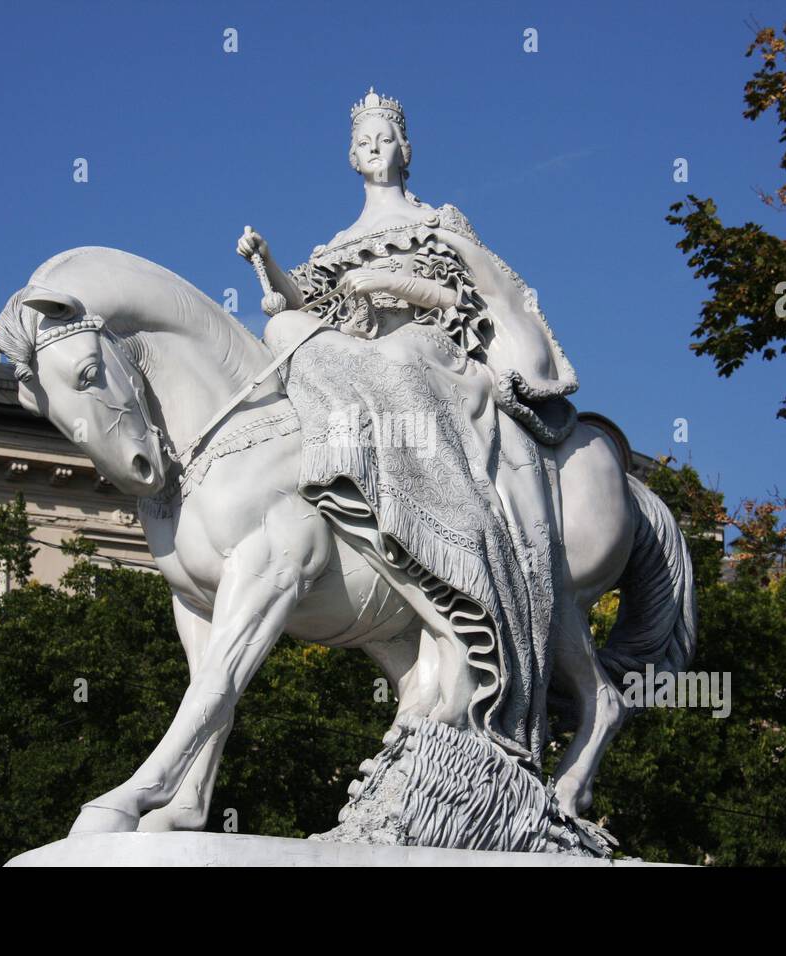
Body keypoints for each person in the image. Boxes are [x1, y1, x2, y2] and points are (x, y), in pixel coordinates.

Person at [235, 89, 579, 766]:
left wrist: (389, 286)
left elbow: (467, 296)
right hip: (352, 355)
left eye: (384, 137)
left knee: (388, 357)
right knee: (281, 328)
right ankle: (342, 474)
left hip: (425, 348)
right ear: (349, 155)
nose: (373, 148)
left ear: (406, 150)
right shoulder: (335, 244)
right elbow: (300, 301)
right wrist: (267, 263)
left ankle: (444, 520)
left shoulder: (438, 221)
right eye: (362, 140)